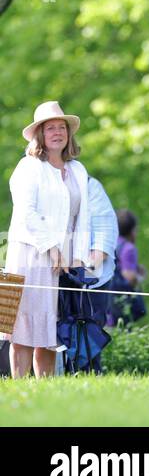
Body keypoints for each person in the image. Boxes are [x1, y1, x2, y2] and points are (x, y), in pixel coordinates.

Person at [2, 101, 93, 378]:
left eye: (62, 127)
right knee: (24, 329)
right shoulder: (28, 167)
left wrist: (77, 256)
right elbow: (26, 213)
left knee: (53, 328)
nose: (57, 132)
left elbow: (83, 217)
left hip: (64, 261)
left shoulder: (78, 170)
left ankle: (46, 388)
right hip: (29, 255)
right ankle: (20, 386)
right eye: (50, 128)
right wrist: (52, 248)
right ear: (40, 135)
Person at [83, 176, 118, 372]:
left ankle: (87, 375)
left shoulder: (89, 185)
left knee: (88, 332)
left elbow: (105, 232)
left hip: (90, 276)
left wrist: (86, 271)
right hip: (47, 272)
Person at [108, 209, 146, 328]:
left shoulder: (110, 243)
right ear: (132, 230)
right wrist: (140, 277)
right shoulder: (128, 248)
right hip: (121, 304)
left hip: (106, 301)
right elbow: (129, 277)